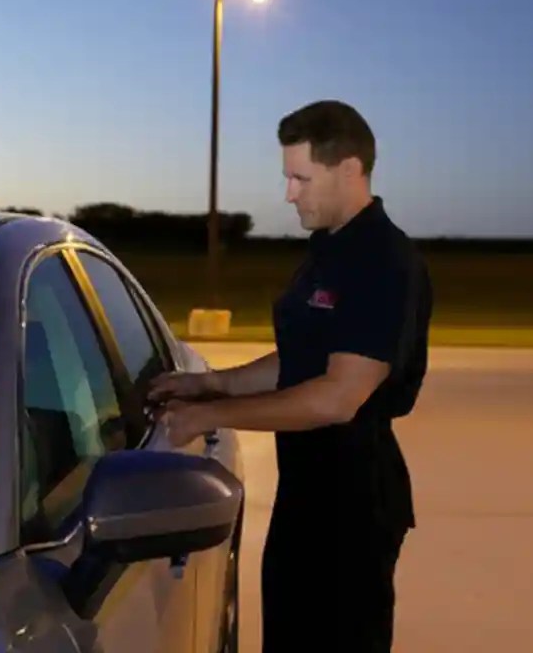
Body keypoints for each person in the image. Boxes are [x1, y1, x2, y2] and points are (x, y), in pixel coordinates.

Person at [148, 99, 432, 652]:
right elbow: (303, 359)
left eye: (300, 177)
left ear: (349, 170)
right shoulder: (330, 252)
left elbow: (337, 396)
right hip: (309, 495)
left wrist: (207, 416)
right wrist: (216, 383)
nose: (289, 193)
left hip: (350, 511)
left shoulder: (381, 261)